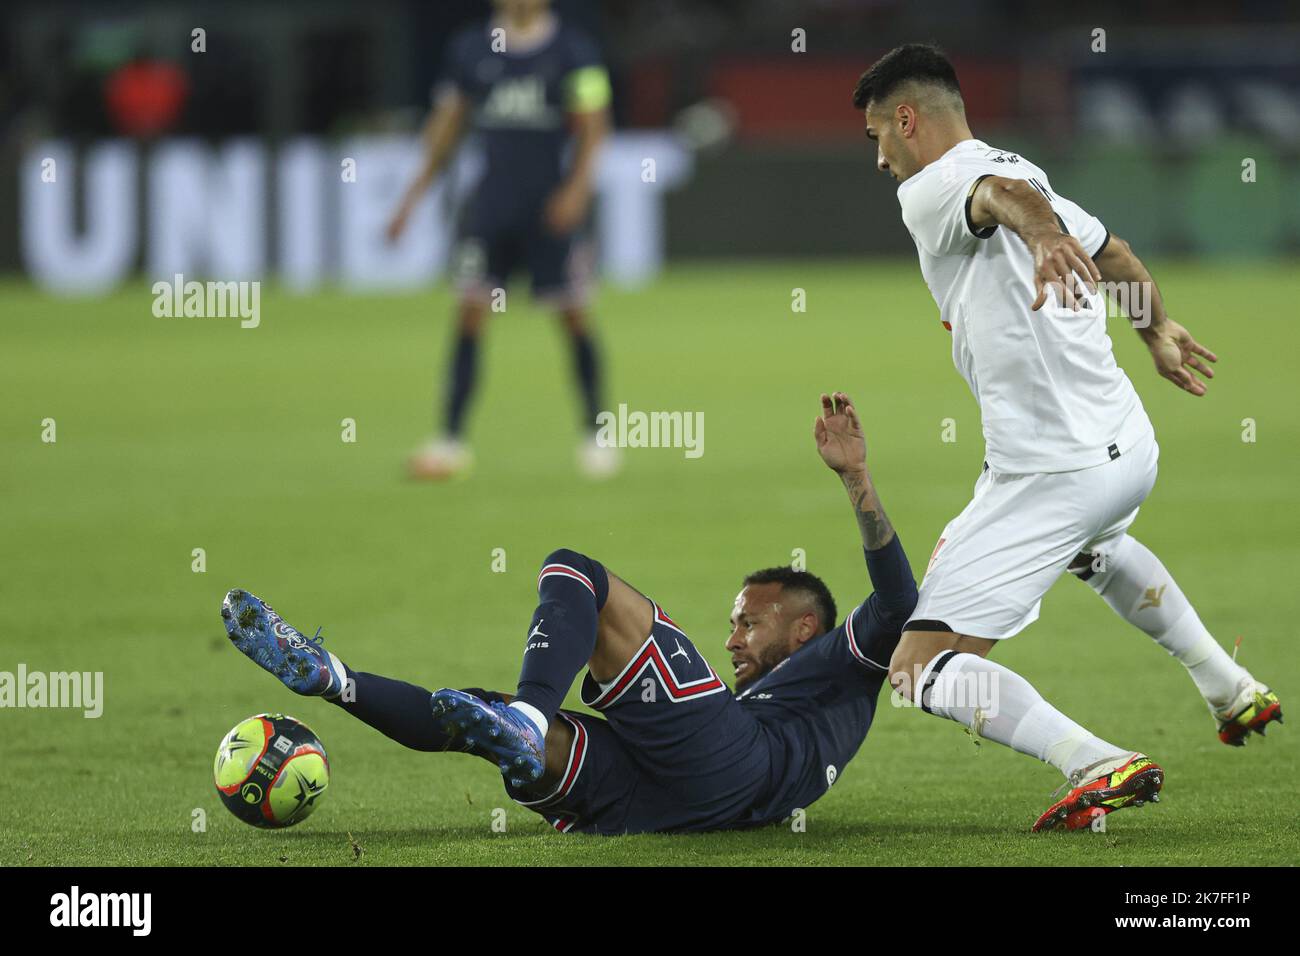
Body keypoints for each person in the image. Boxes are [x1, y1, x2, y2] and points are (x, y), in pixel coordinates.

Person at [852, 43, 1281, 831]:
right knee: (1096, 545)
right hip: (1127, 448)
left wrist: (1044, 237)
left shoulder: (937, 184)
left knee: (918, 671)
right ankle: (1229, 687)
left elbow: (1003, 198)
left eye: (879, 134)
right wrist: (1155, 331)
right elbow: (1110, 249)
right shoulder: (1022, 163)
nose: (879, 157)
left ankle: (1095, 761)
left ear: (907, 120)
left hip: (1051, 472)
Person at [221, 393, 918, 834]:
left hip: (740, 765)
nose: (730, 636)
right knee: (470, 715)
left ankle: (527, 722)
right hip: (671, 807)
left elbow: (897, 604)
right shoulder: (774, 698)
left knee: (572, 570)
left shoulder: (839, 663)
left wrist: (857, 480)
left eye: (748, 622)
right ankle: (334, 679)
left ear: (804, 629)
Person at [387, 0, 617, 479]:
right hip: (489, 208)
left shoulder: (575, 51)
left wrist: (575, 191)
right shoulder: (470, 49)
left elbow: (595, 126)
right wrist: (410, 200)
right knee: (470, 312)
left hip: (549, 208)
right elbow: (447, 126)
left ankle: (597, 434)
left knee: (572, 314)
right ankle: (450, 441)